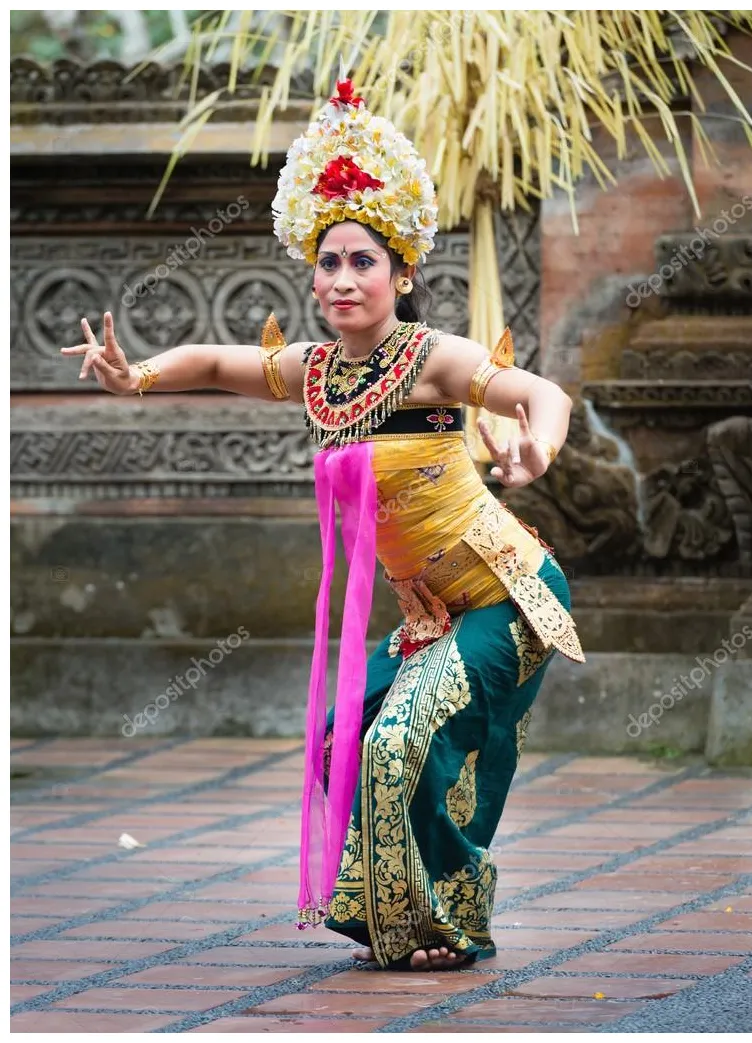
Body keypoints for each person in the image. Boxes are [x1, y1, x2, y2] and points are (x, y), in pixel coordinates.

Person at [61, 77, 584, 972]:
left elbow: (540, 391)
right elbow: (214, 361)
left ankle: (452, 919)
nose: (342, 279)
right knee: (341, 742)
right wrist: (133, 376)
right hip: (428, 615)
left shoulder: (432, 359)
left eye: (362, 262)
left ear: (401, 273)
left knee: (396, 739)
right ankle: (406, 913)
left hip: (507, 594)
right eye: (328, 261)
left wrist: (536, 445)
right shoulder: (312, 370)